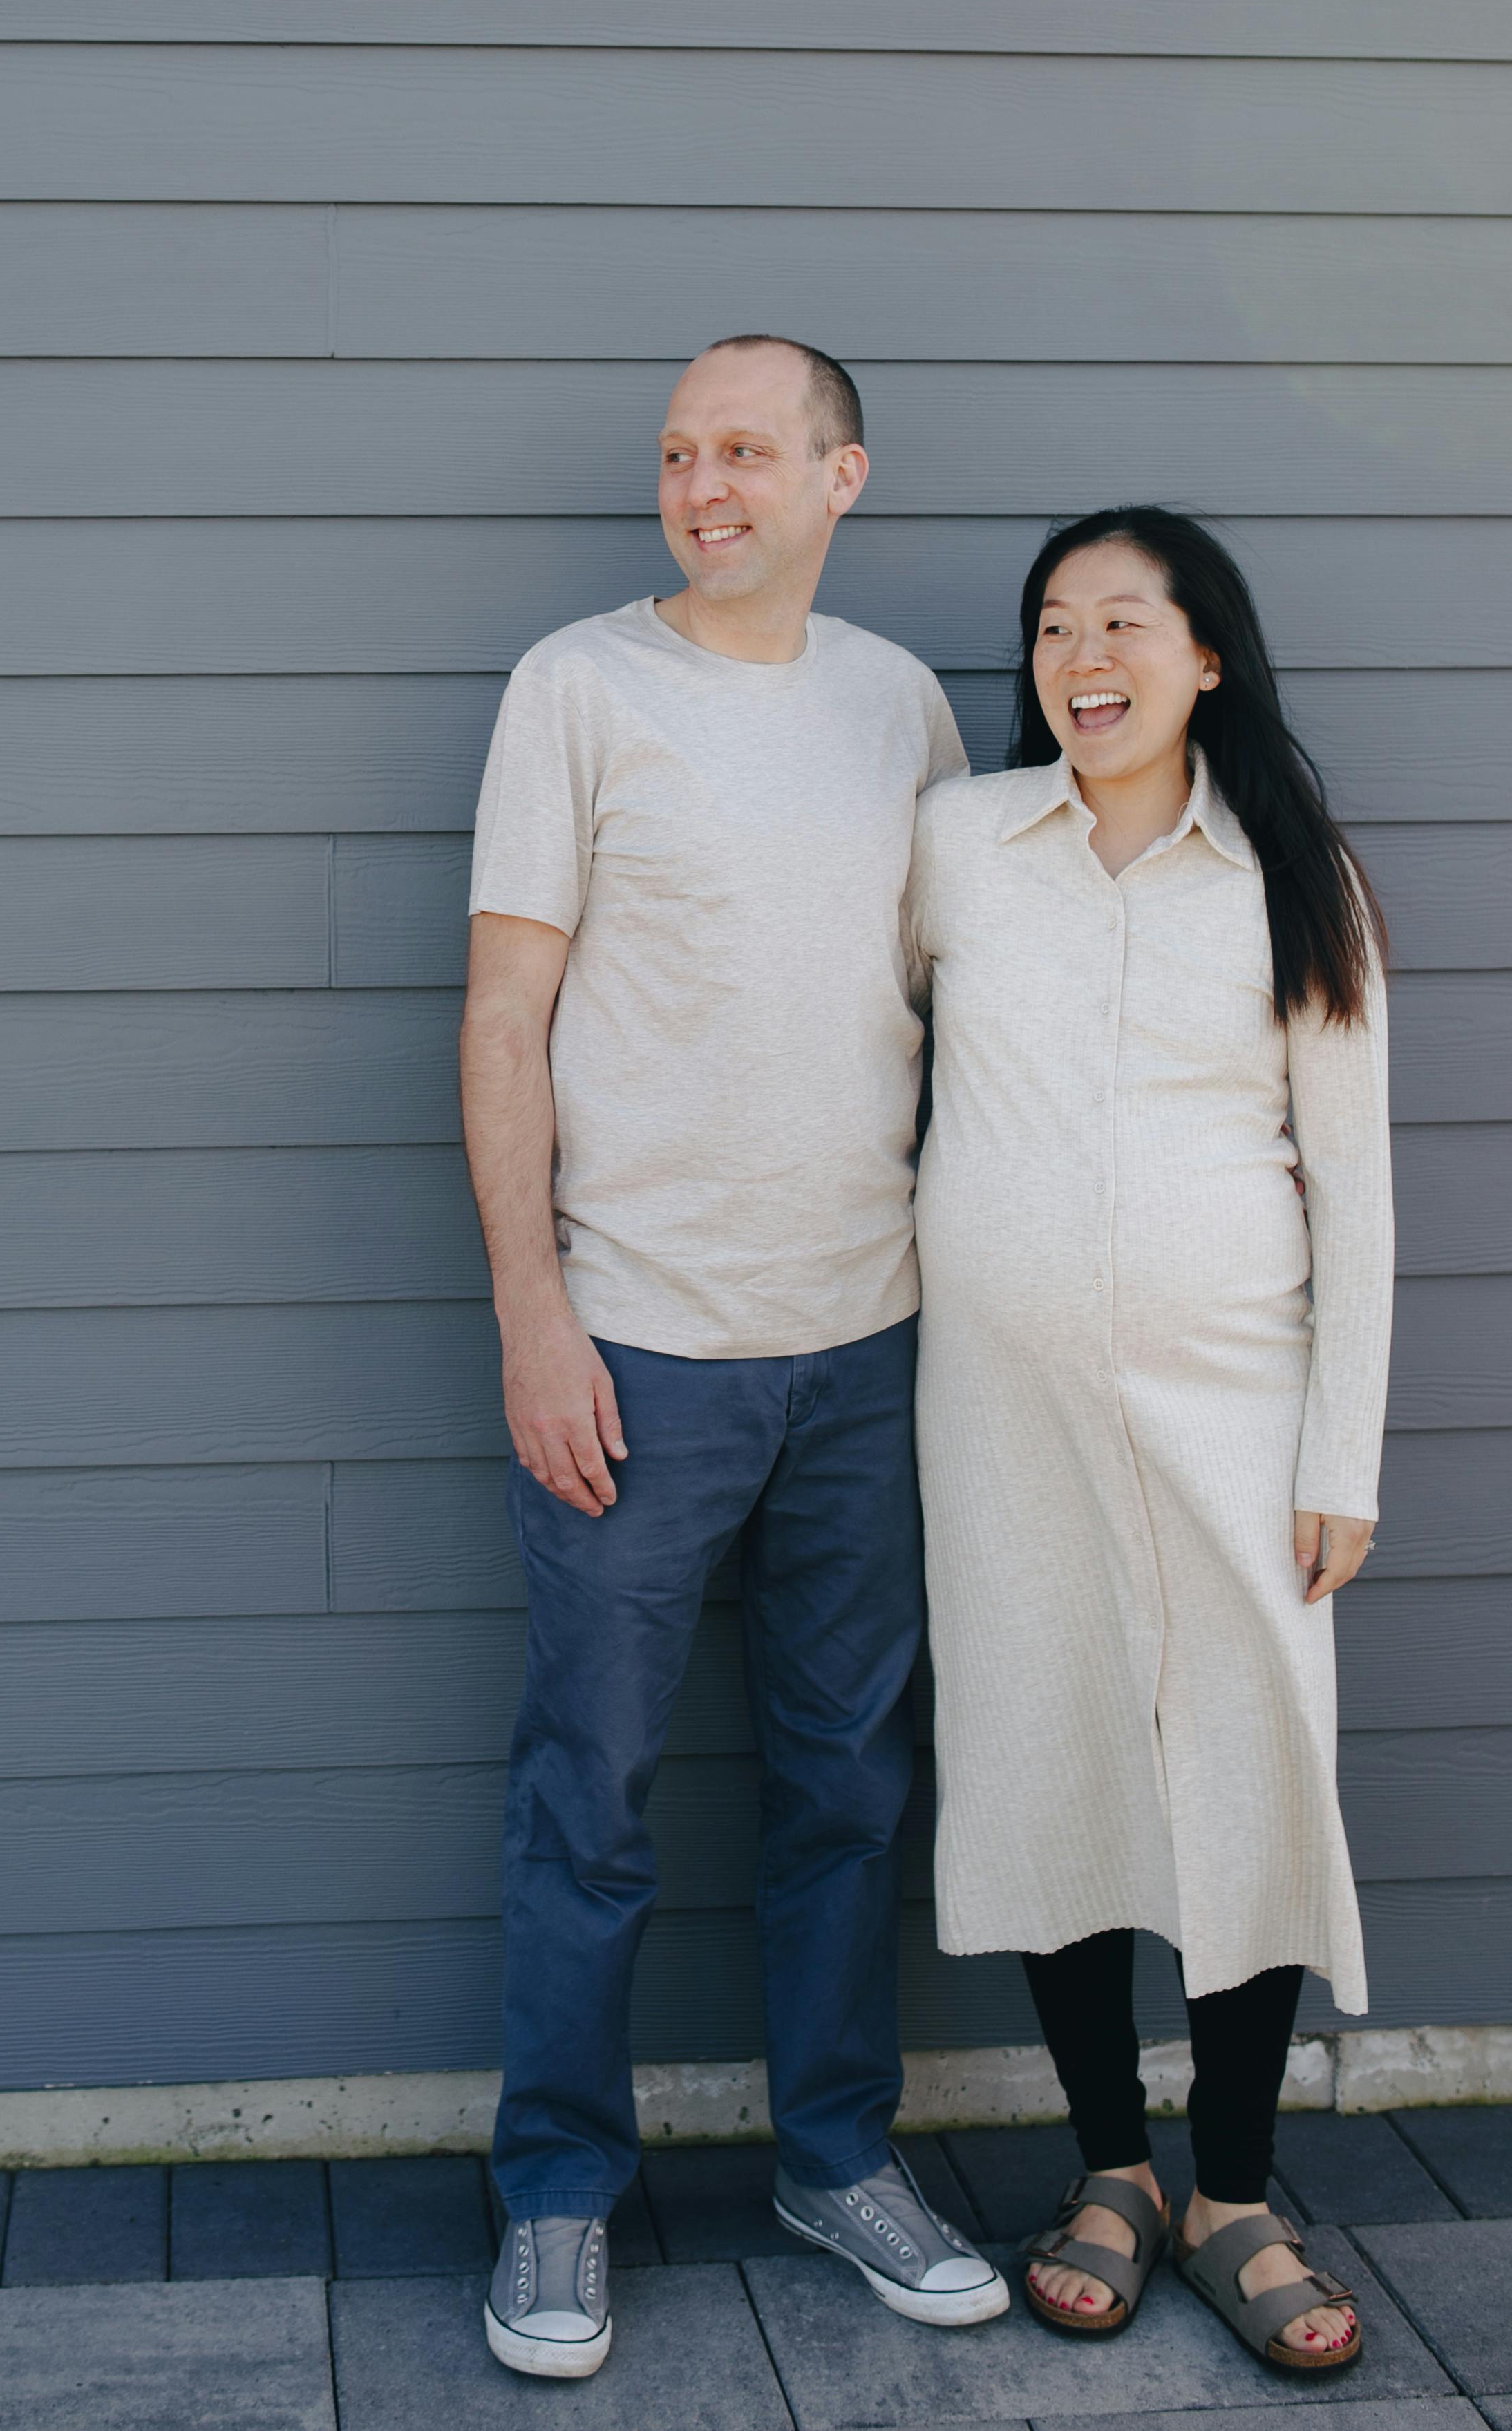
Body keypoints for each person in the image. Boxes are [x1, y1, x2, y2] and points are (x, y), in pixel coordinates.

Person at [461, 334, 1008, 2381]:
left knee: (846, 1790)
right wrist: (537, 1312)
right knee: (585, 1794)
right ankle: (553, 2199)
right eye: (681, 452)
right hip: (639, 1349)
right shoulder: (578, 688)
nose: (704, 484)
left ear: (841, 476)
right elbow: (504, 1022)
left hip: (869, 1341)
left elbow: (972, 1011)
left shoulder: (904, 711)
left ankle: (836, 2155)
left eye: (749, 451)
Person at [908, 507, 1392, 2376]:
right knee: (1053, 1758)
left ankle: (1238, 2191)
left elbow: (1352, 1184)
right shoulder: (961, 848)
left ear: (1206, 660)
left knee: (1250, 1771)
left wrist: (1340, 1452)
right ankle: (1110, 2167)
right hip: (1001, 1418)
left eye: (1123, 621)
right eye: (1051, 627)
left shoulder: (1295, 874)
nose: (1081, 656)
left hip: (1242, 1413)